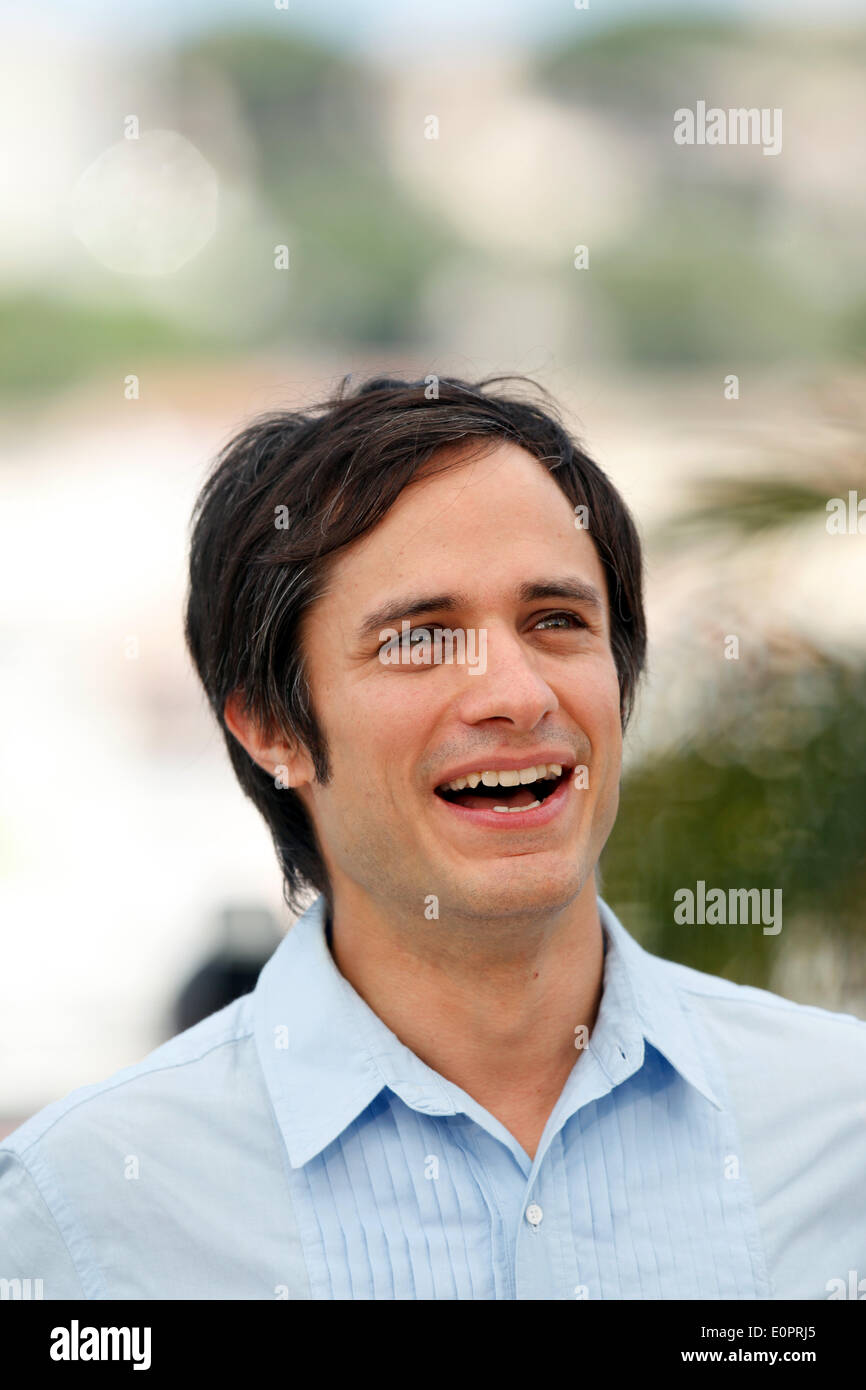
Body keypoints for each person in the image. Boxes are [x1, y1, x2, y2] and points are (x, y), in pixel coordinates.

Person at [1, 374, 863, 1300]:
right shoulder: (89, 1210)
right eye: (422, 638)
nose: (519, 693)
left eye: (557, 622)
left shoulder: (839, 1127)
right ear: (271, 730)